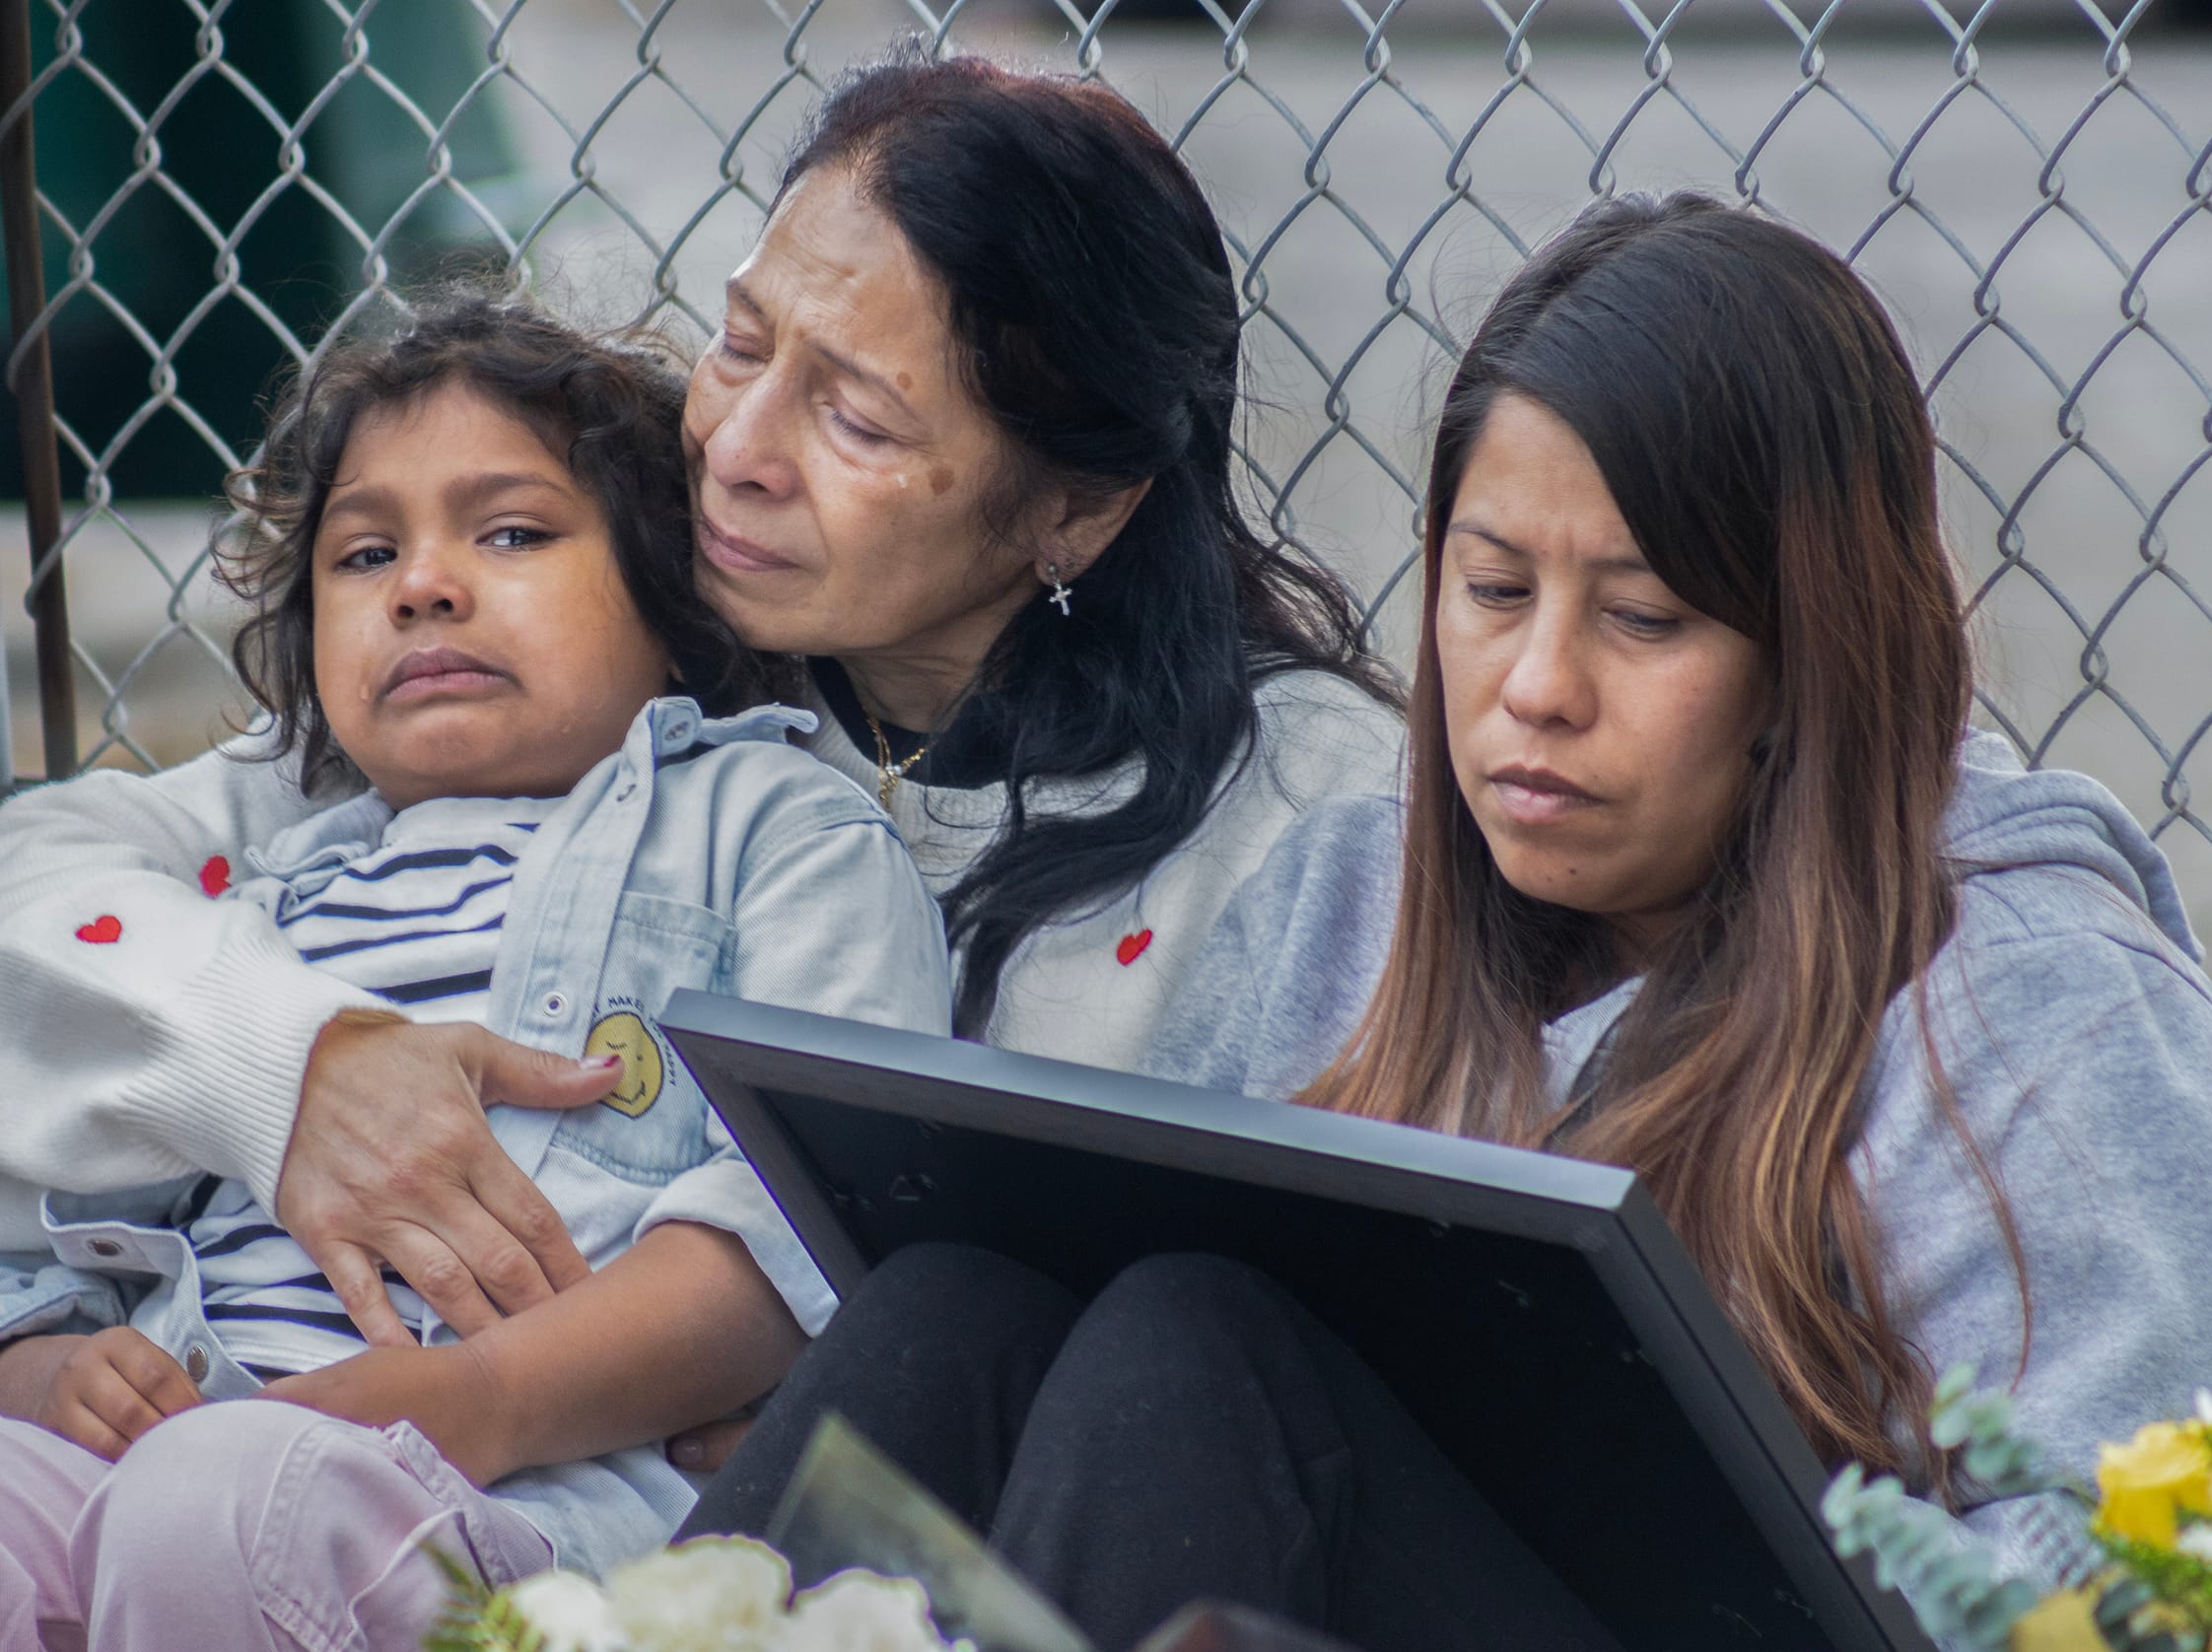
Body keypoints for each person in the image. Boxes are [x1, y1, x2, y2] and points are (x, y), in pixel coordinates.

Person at [681, 194, 2212, 1652]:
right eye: (1492, 587)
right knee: (956, 1308)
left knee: (1209, 1358)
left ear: (1818, 651)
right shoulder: (1352, 895)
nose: (1537, 684)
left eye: (1645, 616)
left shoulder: (2061, 1024)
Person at [0, 54, 1403, 1470]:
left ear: (1076, 510)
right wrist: (289, 1062)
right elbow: (36, 880)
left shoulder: (1303, 823)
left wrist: (875, 1408)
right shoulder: (593, 673)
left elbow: (1312, 1374)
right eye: (741, 341)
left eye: (855, 419)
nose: (734, 446)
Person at [0, 291, 950, 1652]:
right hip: (184, 1425)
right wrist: (45, 1372)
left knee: (217, 1513)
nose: (426, 586)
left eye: (510, 535)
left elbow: (796, 1222)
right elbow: (76, 1209)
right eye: (364, 556)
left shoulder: (770, 831)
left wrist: (484, 1395)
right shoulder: (260, 896)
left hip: (516, 1504)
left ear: (672, 597)